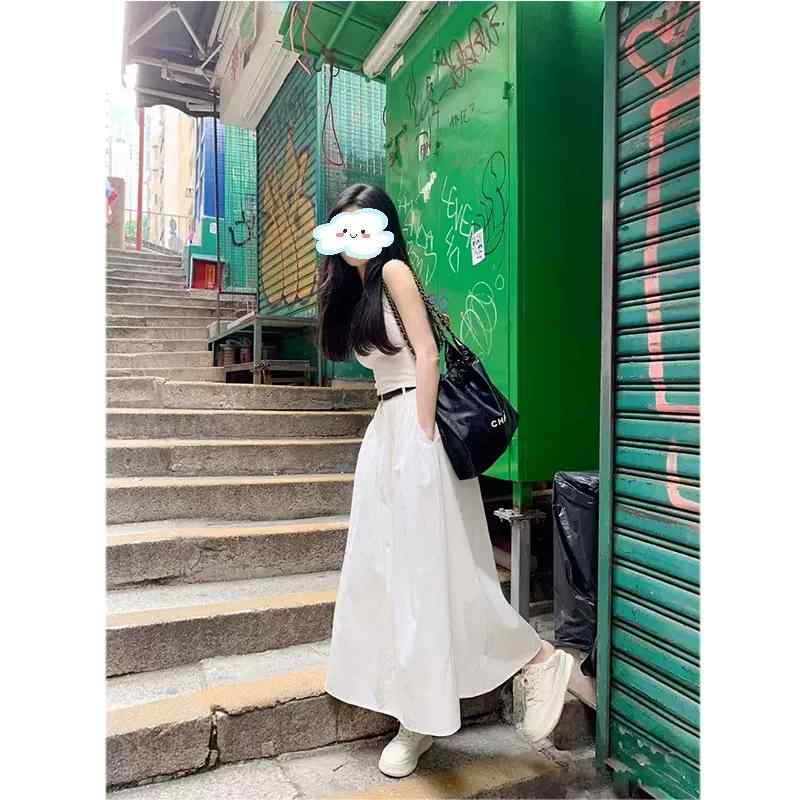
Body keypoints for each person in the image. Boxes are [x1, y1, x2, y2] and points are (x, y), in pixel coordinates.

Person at [319, 184, 574, 779]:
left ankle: (505, 674)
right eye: (342, 227)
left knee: (432, 575)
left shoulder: (394, 273)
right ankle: (435, 702)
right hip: (388, 433)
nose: (352, 238)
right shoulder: (359, 289)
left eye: (362, 225)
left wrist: (421, 436)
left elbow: (428, 355)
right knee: (396, 576)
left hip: (416, 432)